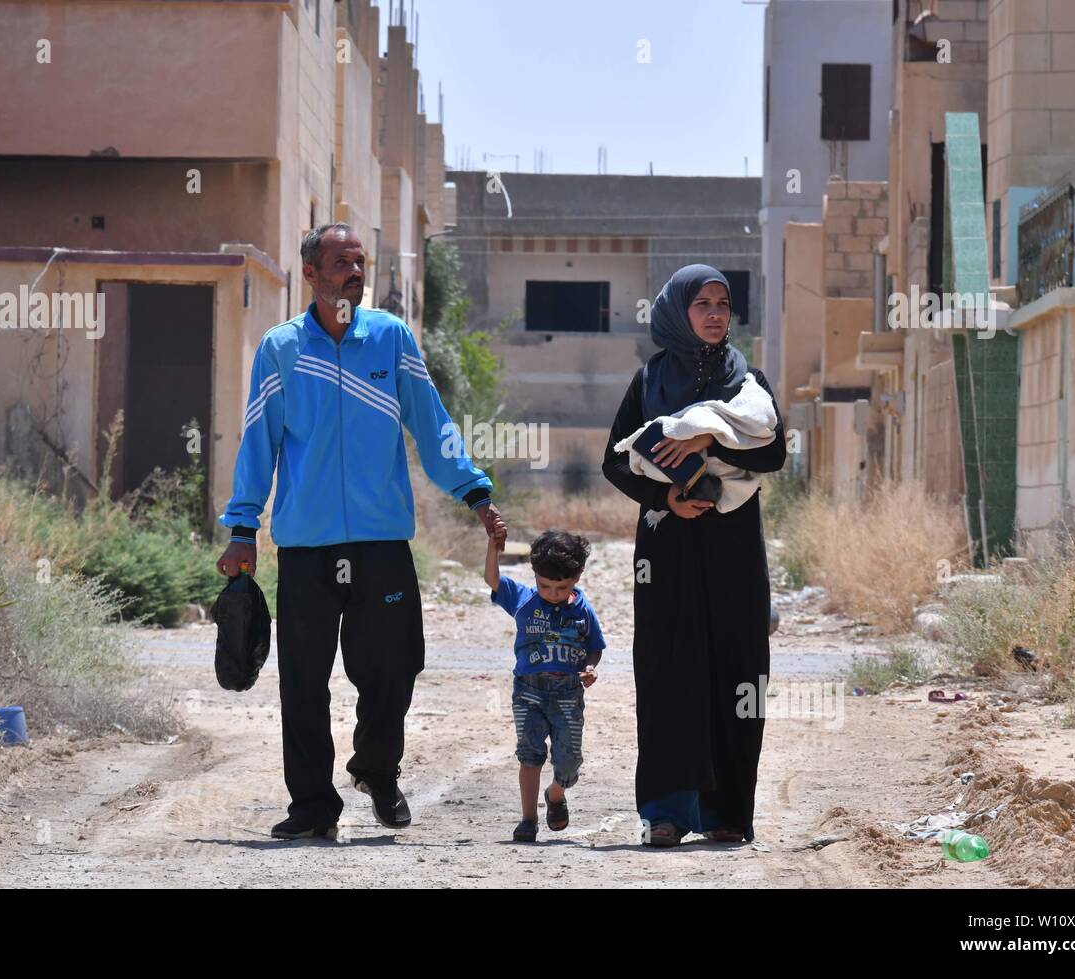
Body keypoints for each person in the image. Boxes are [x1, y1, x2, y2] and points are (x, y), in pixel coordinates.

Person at [216, 223, 505, 840]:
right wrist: (243, 528)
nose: (354, 271)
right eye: (340, 262)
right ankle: (313, 807)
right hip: (307, 547)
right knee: (303, 681)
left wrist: (474, 492)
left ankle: (378, 769)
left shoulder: (391, 339)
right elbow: (258, 443)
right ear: (312, 275)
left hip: (380, 544)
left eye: (360, 262)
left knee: (394, 668)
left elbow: (432, 423)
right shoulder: (281, 349)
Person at [601, 264, 785, 847]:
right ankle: (668, 812)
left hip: (733, 542)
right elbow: (614, 459)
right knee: (669, 669)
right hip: (668, 541)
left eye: (723, 305)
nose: (714, 314)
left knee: (738, 669)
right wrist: (665, 496)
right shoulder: (650, 380)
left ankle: (730, 811)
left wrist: (713, 435)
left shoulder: (747, 382)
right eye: (701, 303)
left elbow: (774, 453)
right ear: (678, 312)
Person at [483, 529, 605, 843]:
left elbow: (595, 647)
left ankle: (555, 793)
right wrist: (493, 548)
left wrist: (590, 666)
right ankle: (528, 820)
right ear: (535, 576)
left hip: (567, 695)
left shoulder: (583, 611)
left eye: (561, 587)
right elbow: (493, 580)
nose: (552, 593)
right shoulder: (523, 600)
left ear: (578, 576)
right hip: (528, 692)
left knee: (569, 762)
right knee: (529, 755)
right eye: (545, 585)